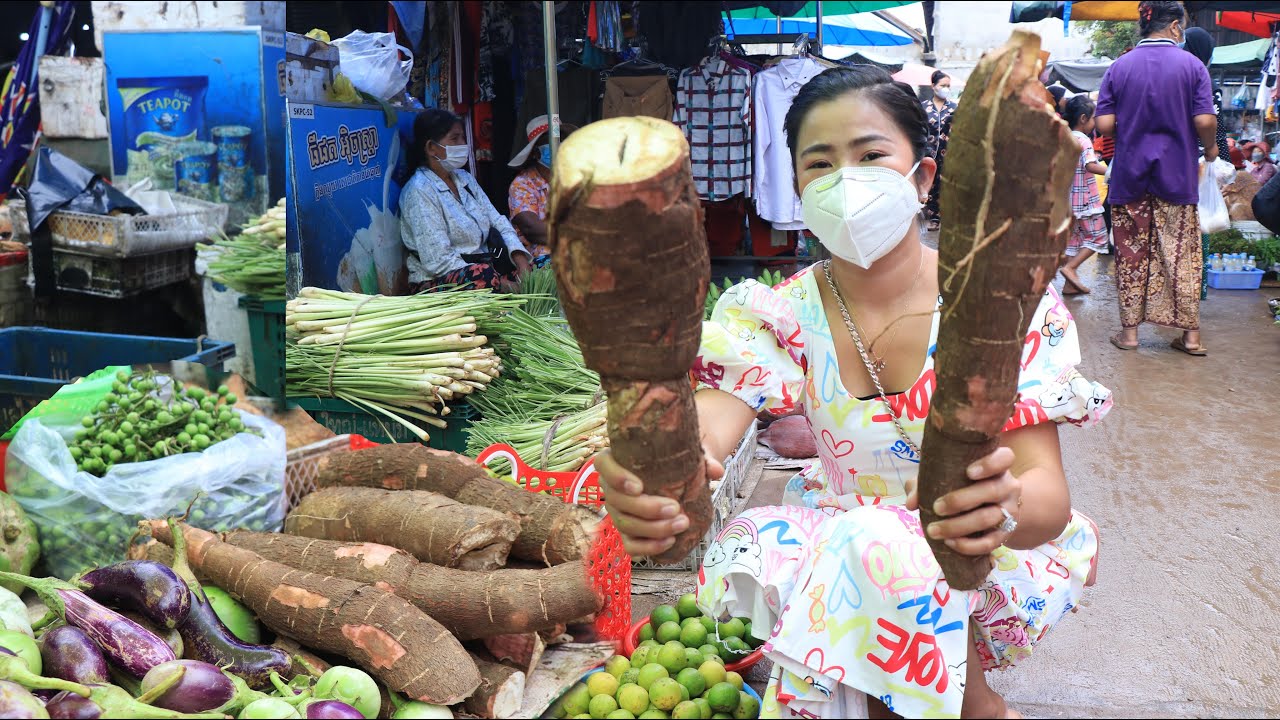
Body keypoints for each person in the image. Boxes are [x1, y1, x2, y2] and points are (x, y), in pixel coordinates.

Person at [598, 66, 1108, 720]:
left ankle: (979, 708)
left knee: (881, 549)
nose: (846, 181)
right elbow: (709, 425)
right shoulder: (780, 314)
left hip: (977, 555)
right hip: (844, 550)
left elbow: (1047, 498)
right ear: (798, 189)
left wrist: (997, 504)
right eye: (820, 165)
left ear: (922, 178)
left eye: (870, 156)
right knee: (763, 543)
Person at [1095, 0, 1216, 356]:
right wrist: (1210, 148)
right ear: (1175, 27)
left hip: (1130, 176)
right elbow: (1204, 120)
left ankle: (1130, 335)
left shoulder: (1119, 66)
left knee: (1130, 254)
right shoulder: (1192, 66)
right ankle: (1191, 338)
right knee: (1182, 255)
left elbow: (1104, 124)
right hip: (1177, 176)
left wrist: (1132, 125)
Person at [398, 109, 533, 292]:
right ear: (431, 148)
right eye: (455, 139)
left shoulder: (464, 178)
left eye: (463, 137)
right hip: (442, 280)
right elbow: (439, 261)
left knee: (545, 264)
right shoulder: (419, 191)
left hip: (488, 268)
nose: (463, 144)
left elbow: (498, 221)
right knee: (483, 276)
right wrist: (503, 284)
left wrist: (520, 260)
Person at [1059, 96, 1110, 295]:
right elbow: (1090, 165)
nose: (1095, 122)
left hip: (1069, 201)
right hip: (1086, 200)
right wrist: (1113, 172)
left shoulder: (1064, 137)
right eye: (1093, 118)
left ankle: (1069, 285)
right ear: (1083, 118)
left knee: (1074, 242)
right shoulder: (1083, 139)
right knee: (1099, 237)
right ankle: (1070, 268)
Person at [505, 115, 564, 266]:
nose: (559, 146)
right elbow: (532, 229)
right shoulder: (522, 185)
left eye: (561, 141)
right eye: (552, 142)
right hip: (543, 260)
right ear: (536, 153)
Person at [1183, 27, 1232, 164]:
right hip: (1200, 160)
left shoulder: (1174, 78)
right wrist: (1226, 165)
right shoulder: (1206, 85)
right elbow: (1217, 132)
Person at [922, 70, 956, 231]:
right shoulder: (923, 108)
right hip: (928, 153)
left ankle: (947, 216)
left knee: (946, 185)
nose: (946, 89)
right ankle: (933, 217)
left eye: (948, 86)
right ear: (933, 86)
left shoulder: (954, 107)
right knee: (931, 185)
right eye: (943, 85)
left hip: (948, 154)